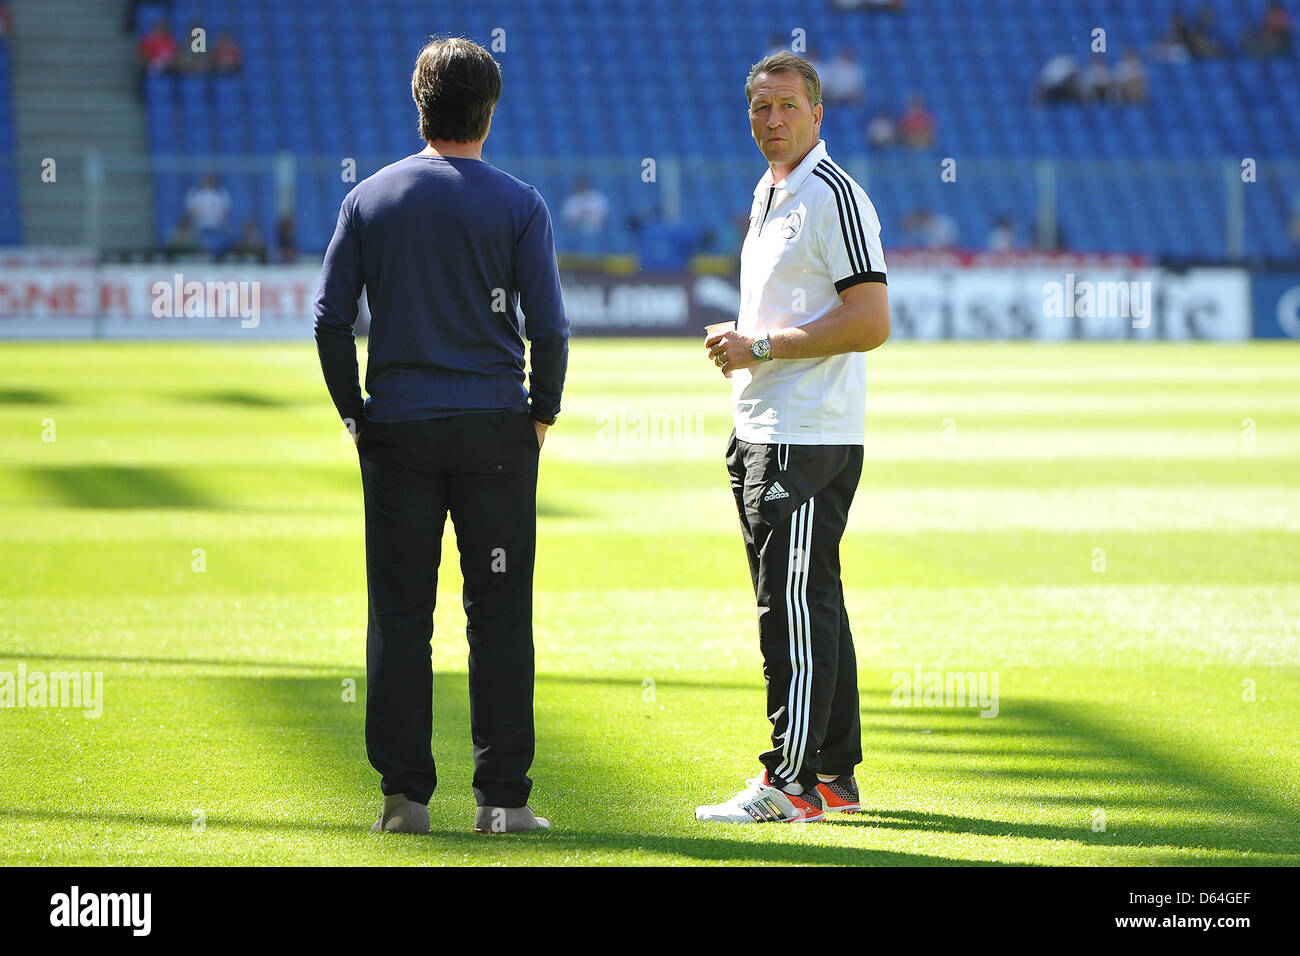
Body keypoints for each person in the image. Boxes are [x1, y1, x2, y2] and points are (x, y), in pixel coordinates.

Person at [313, 36, 569, 836]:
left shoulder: (371, 198)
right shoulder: (520, 202)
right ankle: (503, 800)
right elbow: (550, 328)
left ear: (418, 105)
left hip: (400, 431)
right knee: (498, 612)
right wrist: (541, 414)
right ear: (488, 110)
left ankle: (404, 800)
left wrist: (356, 413)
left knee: (400, 612)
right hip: (496, 430)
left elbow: (329, 320)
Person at [698, 52, 890, 824]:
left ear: (817, 113)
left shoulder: (834, 195)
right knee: (808, 602)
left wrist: (763, 347)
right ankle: (835, 776)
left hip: (807, 435)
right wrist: (745, 343)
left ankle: (794, 782)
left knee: (793, 606)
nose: (770, 121)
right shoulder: (769, 190)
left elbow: (871, 319)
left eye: (784, 107)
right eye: (758, 109)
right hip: (764, 427)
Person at [184, 173, 230, 258]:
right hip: (199, 225)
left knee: (222, 236)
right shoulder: (195, 194)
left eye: (210, 179)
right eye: (206, 179)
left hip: (217, 225)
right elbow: (191, 212)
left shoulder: (220, 194)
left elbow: (225, 212)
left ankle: (218, 257)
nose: (208, 181)